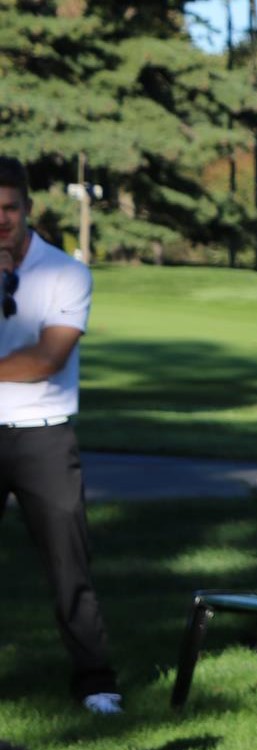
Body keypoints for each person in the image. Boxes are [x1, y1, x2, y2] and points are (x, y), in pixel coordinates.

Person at [0, 156, 121, 714]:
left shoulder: (65, 273)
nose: (1, 220)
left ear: (28, 208)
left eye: (9, 208)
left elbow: (47, 358)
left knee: (69, 567)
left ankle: (96, 683)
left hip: (43, 438)